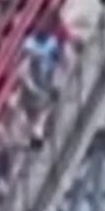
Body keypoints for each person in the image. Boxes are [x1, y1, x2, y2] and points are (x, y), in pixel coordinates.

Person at [21, 10, 71, 147]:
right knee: (39, 111)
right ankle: (37, 134)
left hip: (44, 81)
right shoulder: (32, 43)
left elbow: (60, 58)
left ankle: (37, 134)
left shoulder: (49, 42)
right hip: (37, 83)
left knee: (43, 110)